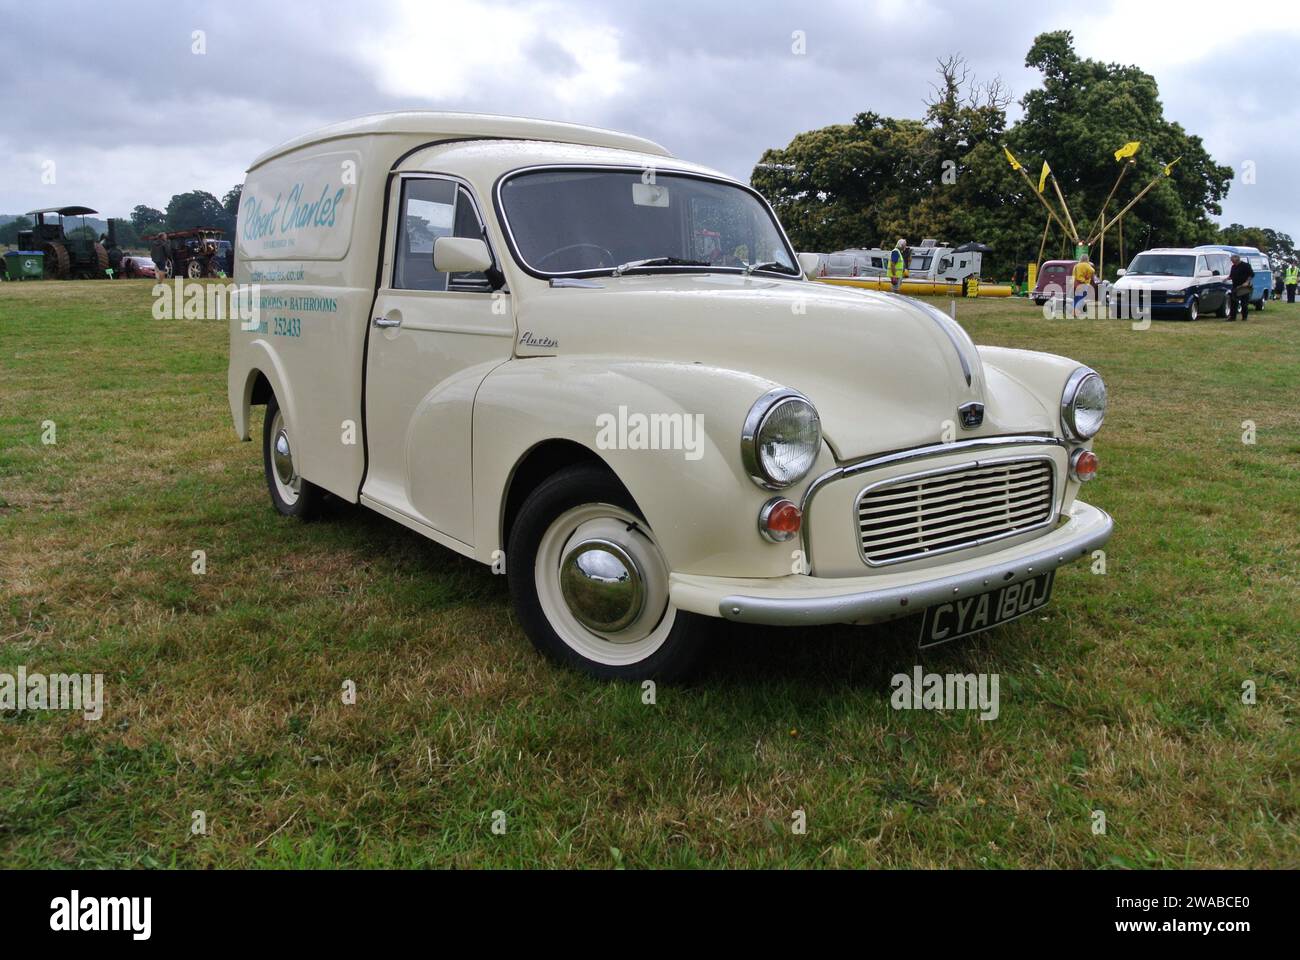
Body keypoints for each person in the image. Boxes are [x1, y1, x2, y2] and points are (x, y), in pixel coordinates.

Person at [1227, 254, 1253, 321]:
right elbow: (1231, 275)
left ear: (1237, 260)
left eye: (1233, 261)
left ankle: (1244, 317)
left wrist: (1247, 282)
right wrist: (1227, 278)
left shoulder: (1246, 266)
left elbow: (1251, 274)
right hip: (1235, 286)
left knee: (1244, 303)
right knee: (1233, 302)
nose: (1232, 262)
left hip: (1244, 287)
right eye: (1232, 261)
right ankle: (1232, 317)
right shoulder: (1233, 267)